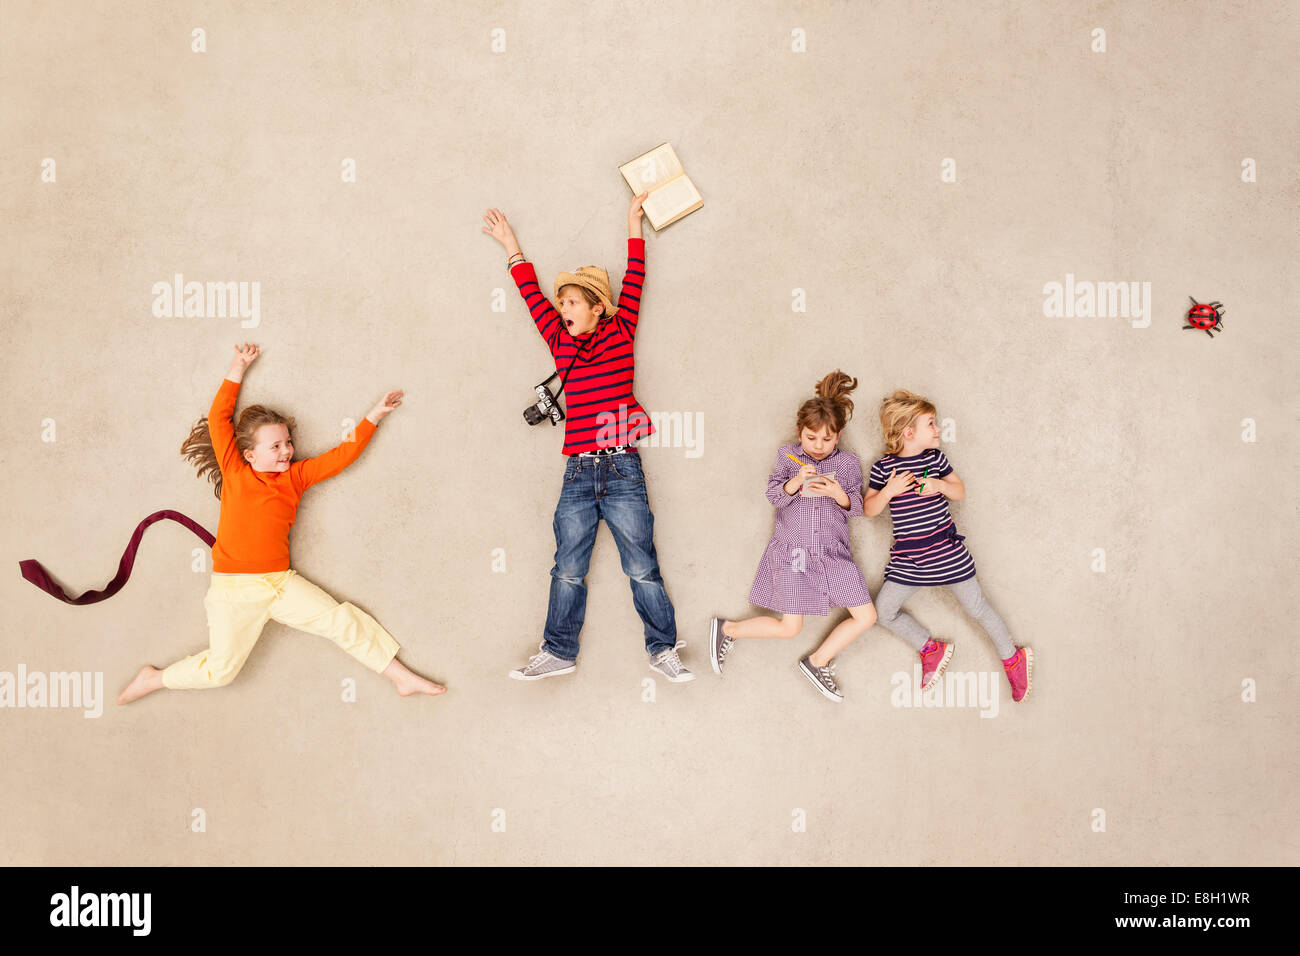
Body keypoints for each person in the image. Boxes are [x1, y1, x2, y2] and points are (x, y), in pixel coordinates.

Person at [116, 343, 446, 704]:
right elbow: (217, 420)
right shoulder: (235, 471)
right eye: (275, 447)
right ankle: (156, 678)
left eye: (287, 443)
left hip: (280, 584)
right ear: (249, 454)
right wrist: (237, 368)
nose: (286, 451)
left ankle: (400, 677)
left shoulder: (296, 477)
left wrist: (374, 416)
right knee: (221, 671)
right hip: (234, 592)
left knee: (339, 619)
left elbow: (341, 456)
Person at [481, 193, 692, 682]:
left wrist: (632, 222)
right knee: (566, 568)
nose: (562, 307)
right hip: (577, 469)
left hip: (622, 468)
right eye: (562, 302)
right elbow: (529, 293)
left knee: (642, 566)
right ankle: (558, 652)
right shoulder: (558, 340)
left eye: (572, 301)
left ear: (599, 308)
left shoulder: (621, 333)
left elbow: (636, 276)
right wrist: (510, 244)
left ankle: (663, 648)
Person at [709, 371, 877, 702]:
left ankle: (818, 661)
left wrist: (837, 492)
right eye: (810, 438)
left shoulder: (847, 463)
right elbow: (773, 496)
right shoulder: (789, 457)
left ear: (839, 436)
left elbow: (857, 507)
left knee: (867, 616)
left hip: (833, 554)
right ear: (800, 433)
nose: (817, 446)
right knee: (790, 627)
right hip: (794, 554)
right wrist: (795, 482)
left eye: (826, 440)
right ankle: (727, 629)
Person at [864, 389, 1032, 701]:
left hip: (947, 556)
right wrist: (888, 491)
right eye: (932, 423)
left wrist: (939, 485)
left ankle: (1013, 659)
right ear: (909, 432)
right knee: (882, 612)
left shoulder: (936, 459)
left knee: (977, 607)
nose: (938, 429)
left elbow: (959, 491)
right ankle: (931, 648)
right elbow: (869, 509)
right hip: (908, 561)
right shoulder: (884, 468)